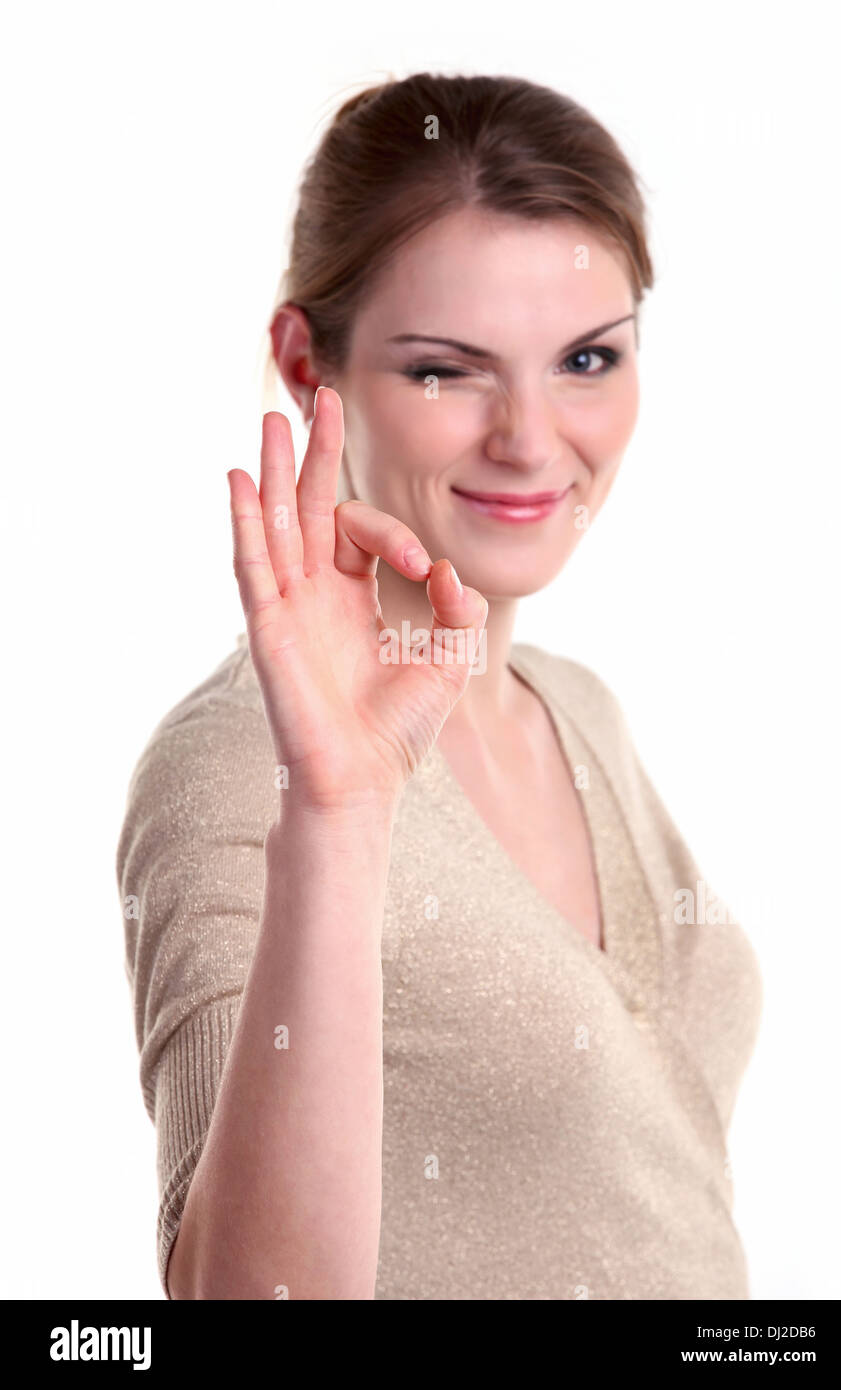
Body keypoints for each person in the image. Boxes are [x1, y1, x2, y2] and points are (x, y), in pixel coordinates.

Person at [116, 71, 762, 1300]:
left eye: (585, 357)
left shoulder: (578, 712)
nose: (529, 437)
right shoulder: (234, 768)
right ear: (308, 359)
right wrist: (337, 816)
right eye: (444, 371)